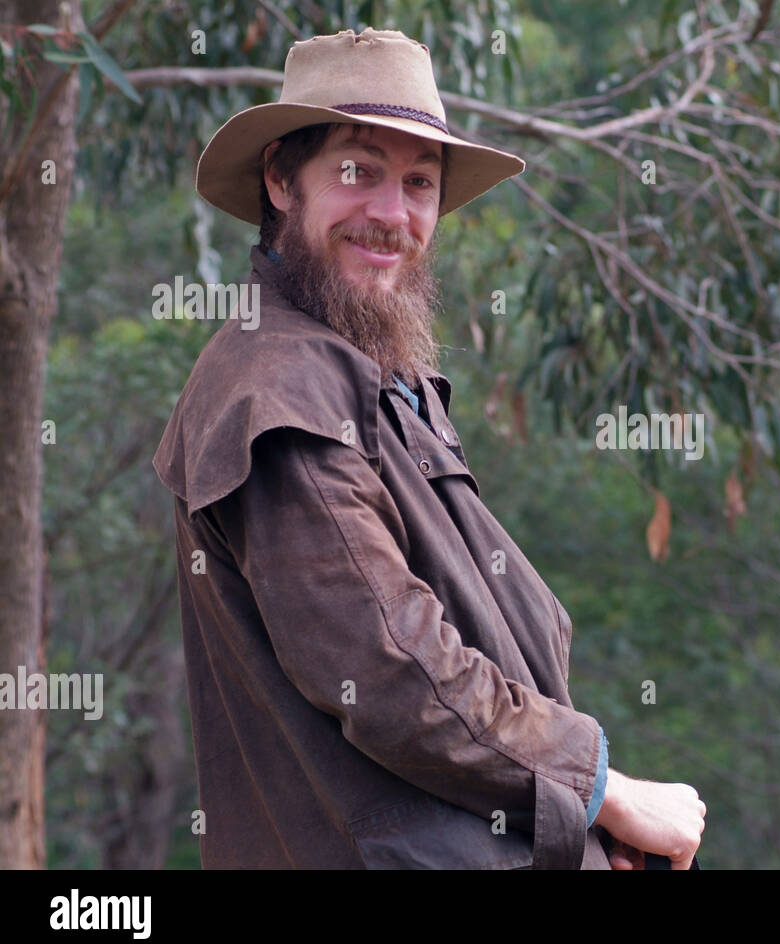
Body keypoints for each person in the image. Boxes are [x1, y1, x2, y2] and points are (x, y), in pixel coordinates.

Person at [152, 26, 705, 869]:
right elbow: (396, 671)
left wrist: (581, 827)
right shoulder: (277, 391)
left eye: (418, 183)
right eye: (357, 171)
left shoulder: (375, 372)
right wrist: (603, 789)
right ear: (278, 179)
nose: (391, 213)